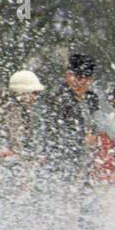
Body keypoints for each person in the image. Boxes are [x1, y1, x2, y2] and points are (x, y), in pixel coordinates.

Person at [38, 52, 99, 185]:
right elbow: (54, 133)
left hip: (85, 162)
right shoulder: (58, 99)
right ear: (68, 76)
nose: (82, 81)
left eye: (87, 78)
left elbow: (97, 124)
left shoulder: (91, 99)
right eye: (78, 77)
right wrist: (83, 139)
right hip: (61, 161)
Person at [0, 70, 46, 187]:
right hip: (2, 168)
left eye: (36, 93)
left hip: (9, 166)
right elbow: (12, 144)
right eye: (33, 93)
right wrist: (32, 158)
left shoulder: (23, 110)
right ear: (21, 93)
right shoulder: (11, 110)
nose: (35, 97)